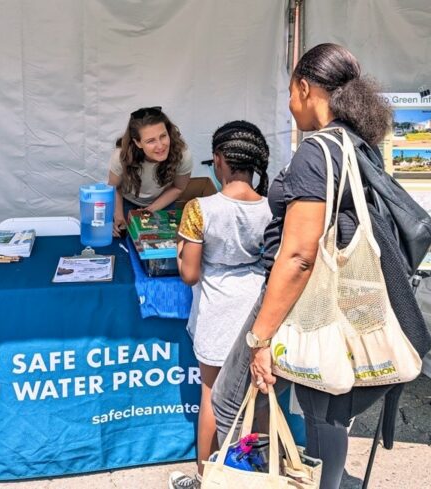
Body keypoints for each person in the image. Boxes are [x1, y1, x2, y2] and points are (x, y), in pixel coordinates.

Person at [210, 43, 396, 489]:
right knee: (325, 409)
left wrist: (260, 337)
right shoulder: (361, 144)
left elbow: (298, 255)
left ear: (305, 87)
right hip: (342, 298)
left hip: (302, 298)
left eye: (291, 93)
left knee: (229, 403)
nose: (291, 105)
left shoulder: (317, 151)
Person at [168, 121, 272, 489]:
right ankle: (260, 472)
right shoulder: (273, 206)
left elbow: (190, 274)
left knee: (211, 395)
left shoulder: (199, 209)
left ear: (219, 160)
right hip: (260, 308)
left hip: (216, 309)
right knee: (258, 396)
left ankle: (205, 477)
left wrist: (181, 251)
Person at [107, 107, 193, 236]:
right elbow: (114, 188)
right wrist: (118, 216)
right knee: (125, 238)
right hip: (126, 201)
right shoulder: (121, 157)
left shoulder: (183, 155)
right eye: (151, 141)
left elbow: (178, 188)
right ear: (138, 142)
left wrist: (149, 210)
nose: (160, 146)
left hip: (163, 202)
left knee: (164, 240)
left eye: (163, 136)